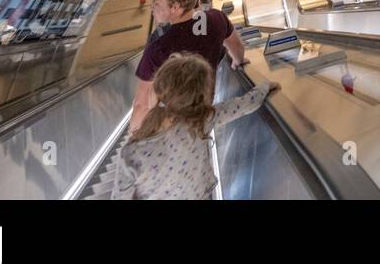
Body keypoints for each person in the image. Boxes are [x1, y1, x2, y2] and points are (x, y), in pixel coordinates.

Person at [113, 53, 278, 200]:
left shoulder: (132, 153)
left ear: (156, 90)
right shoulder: (201, 121)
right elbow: (244, 105)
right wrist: (265, 86)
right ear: (200, 97)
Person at [128, 0, 247, 135]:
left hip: (170, 122)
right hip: (203, 112)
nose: (152, 8)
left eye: (157, 4)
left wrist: (135, 136)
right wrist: (238, 62)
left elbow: (142, 103)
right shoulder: (216, 17)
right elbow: (236, 45)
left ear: (175, 7)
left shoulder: (160, 44)